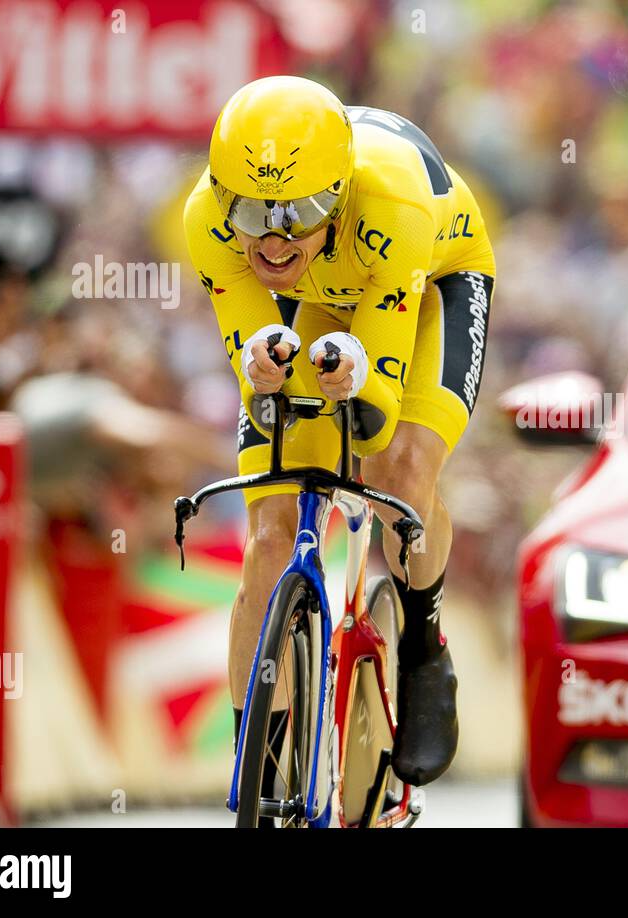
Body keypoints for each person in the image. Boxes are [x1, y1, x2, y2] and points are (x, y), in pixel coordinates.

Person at [183, 76, 495, 796]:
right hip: (324, 294)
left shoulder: (391, 204)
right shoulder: (209, 221)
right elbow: (256, 368)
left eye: (301, 211)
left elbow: (375, 403)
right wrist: (264, 370)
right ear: (222, 195)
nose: (274, 235)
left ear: (341, 193)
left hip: (430, 280)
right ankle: (257, 771)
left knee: (402, 471)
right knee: (268, 535)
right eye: (253, 212)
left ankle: (423, 643)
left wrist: (351, 380)